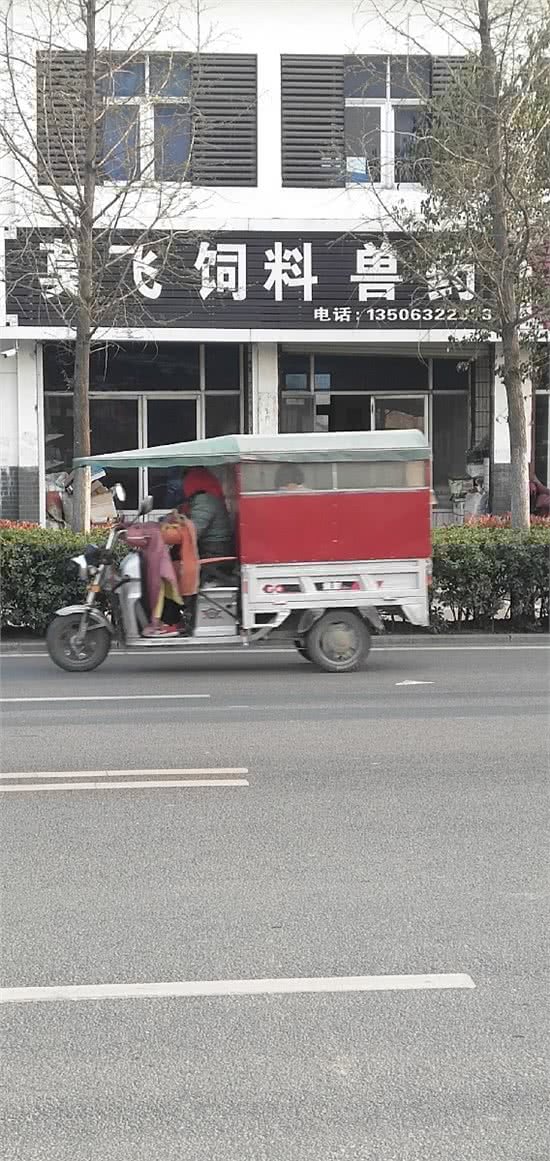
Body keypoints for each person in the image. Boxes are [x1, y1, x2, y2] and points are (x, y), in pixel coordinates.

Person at [181, 467, 234, 559]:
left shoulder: (204, 500)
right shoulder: (207, 497)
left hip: (213, 549)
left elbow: (194, 531)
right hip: (217, 546)